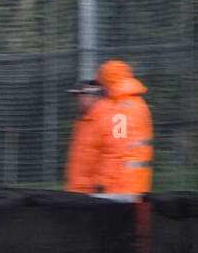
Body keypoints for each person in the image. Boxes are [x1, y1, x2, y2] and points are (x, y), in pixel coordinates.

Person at [90, 59, 153, 200]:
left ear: (109, 81)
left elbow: (116, 148)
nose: (101, 89)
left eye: (102, 83)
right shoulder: (138, 104)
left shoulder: (121, 109)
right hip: (137, 183)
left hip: (120, 186)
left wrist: (102, 182)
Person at [63, 79, 104, 194]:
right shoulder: (81, 122)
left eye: (81, 95)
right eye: (76, 96)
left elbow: (115, 156)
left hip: (94, 194)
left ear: (95, 96)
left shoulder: (107, 120)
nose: (76, 100)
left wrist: (101, 186)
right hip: (76, 191)